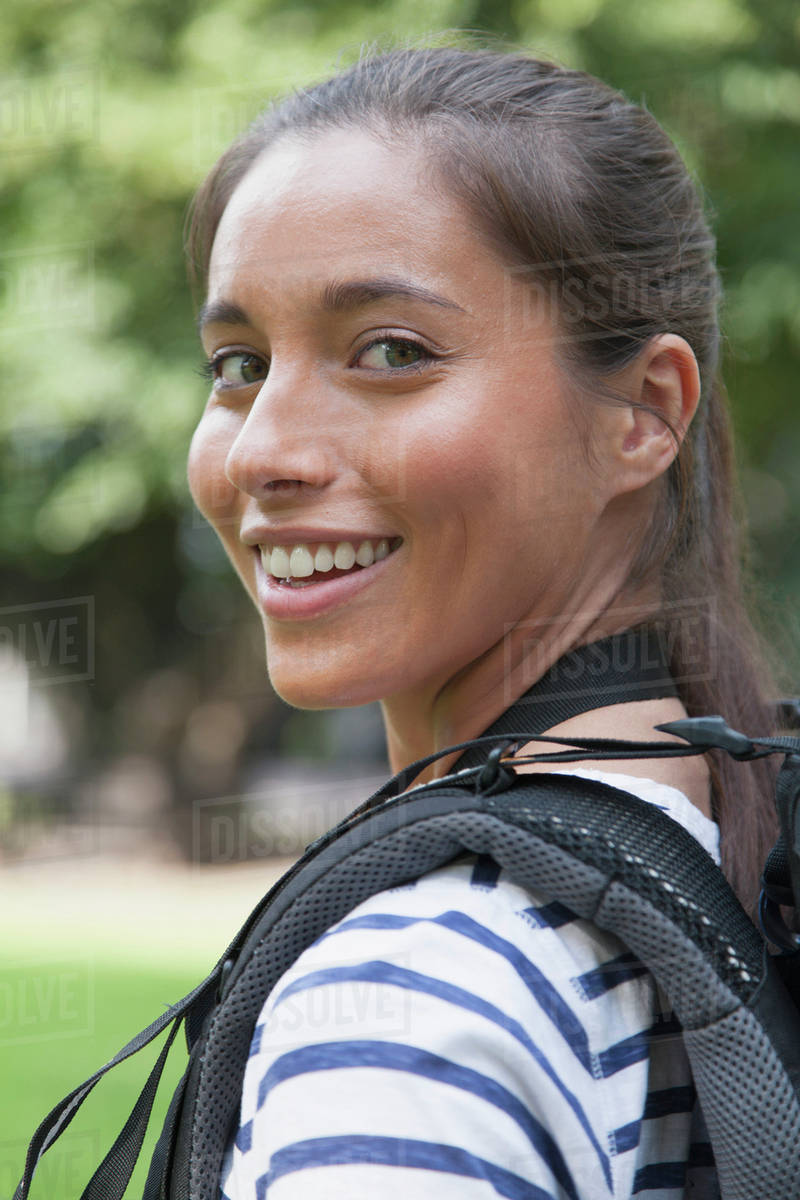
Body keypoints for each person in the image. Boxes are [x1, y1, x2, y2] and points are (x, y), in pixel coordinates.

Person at [185, 45, 778, 1200]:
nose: (261, 449)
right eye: (238, 363)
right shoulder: (734, 821)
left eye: (392, 353)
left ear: (639, 416)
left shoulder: (409, 1007)